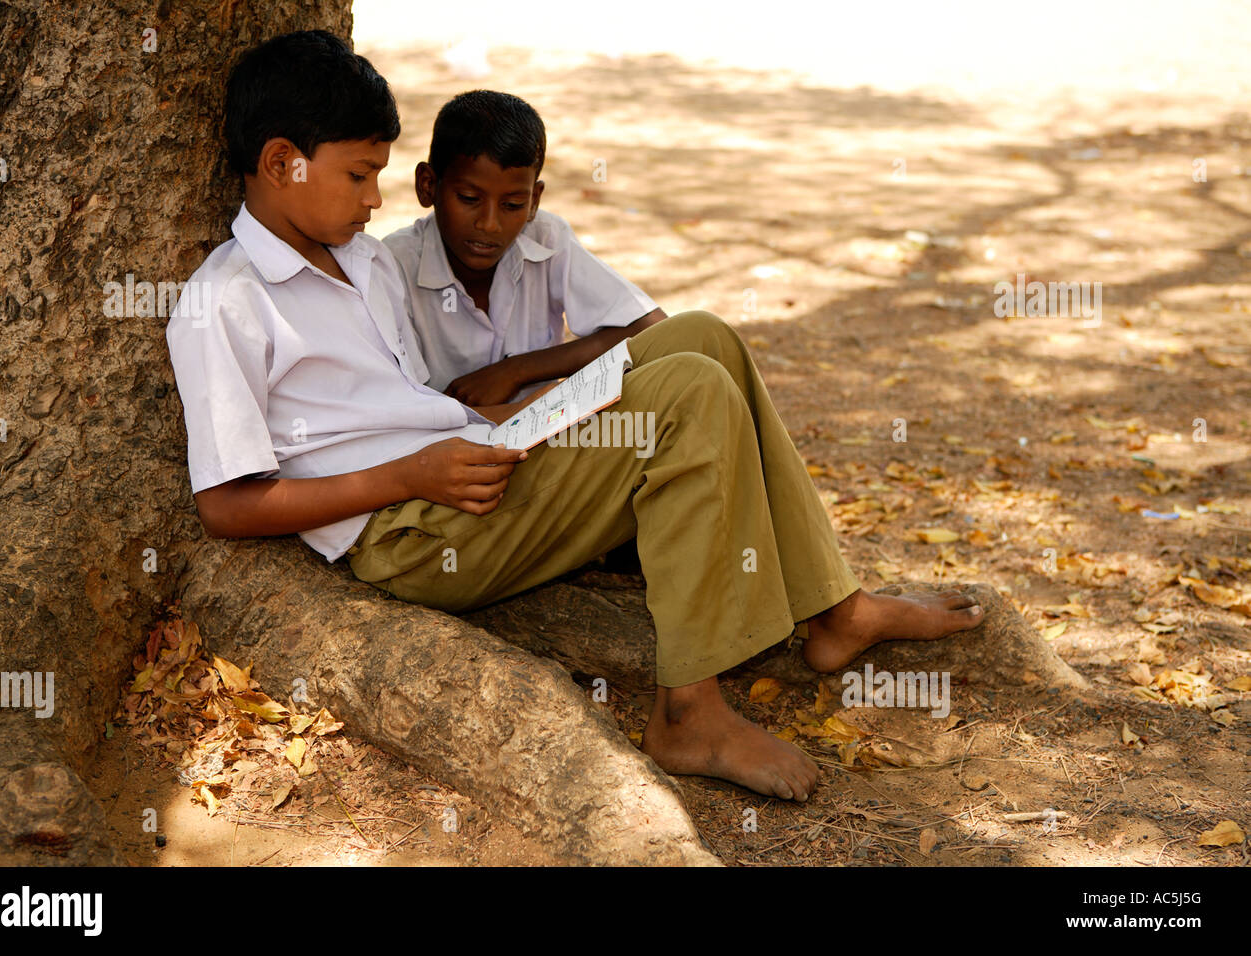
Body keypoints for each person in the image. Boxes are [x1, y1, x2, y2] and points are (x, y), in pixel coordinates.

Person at [166, 30, 985, 804]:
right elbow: (227, 506)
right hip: (414, 529)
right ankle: (688, 713)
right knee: (689, 394)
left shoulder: (361, 261)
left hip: (473, 465)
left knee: (704, 338)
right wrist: (409, 474)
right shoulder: (223, 303)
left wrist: (532, 412)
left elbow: (415, 403)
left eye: (379, 174)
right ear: (281, 162)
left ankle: (835, 609)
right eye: (358, 175)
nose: (375, 200)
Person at [383, 89, 665, 405]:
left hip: (546, 439)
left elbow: (652, 329)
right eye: (469, 199)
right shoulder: (394, 267)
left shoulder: (545, 238)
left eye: (513, 204)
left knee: (701, 334)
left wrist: (516, 371)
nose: (489, 224)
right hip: (444, 448)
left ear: (534, 201)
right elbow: (392, 404)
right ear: (428, 185)